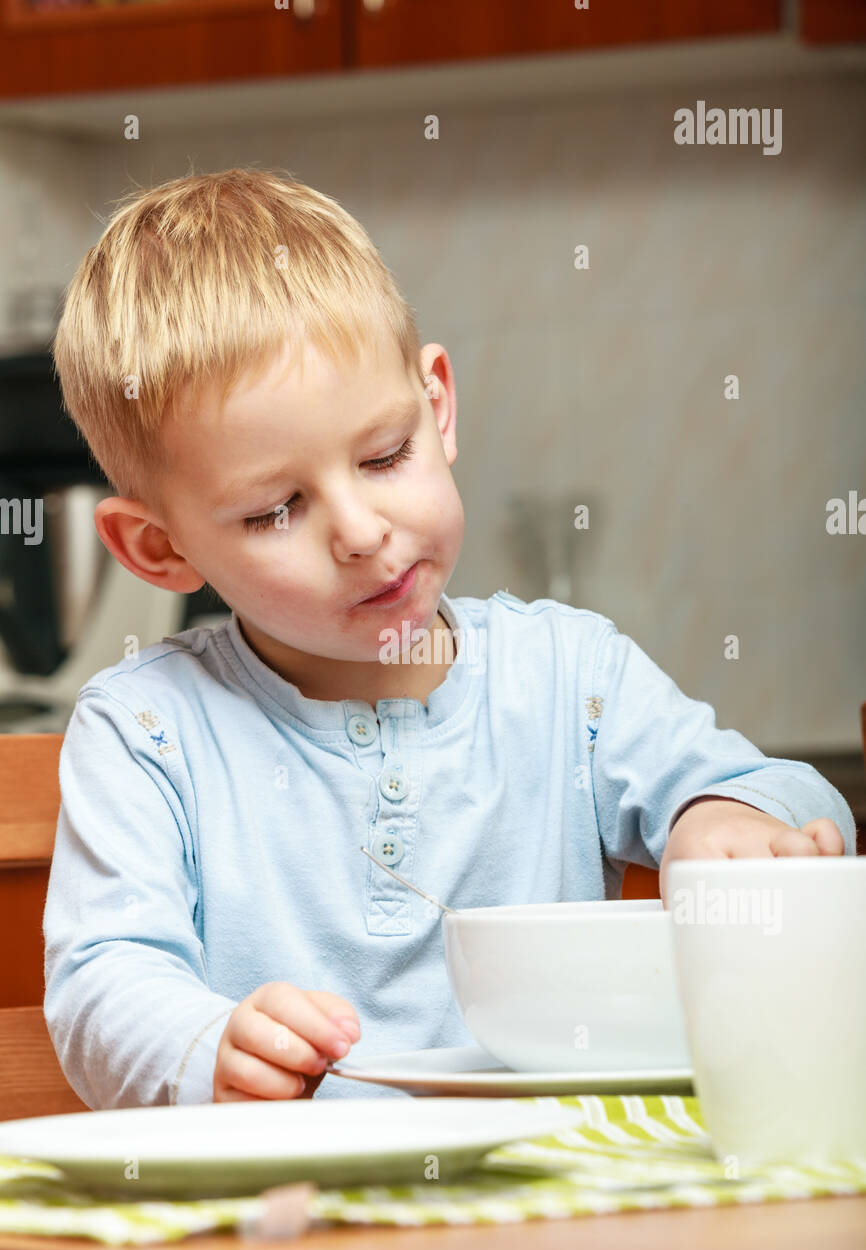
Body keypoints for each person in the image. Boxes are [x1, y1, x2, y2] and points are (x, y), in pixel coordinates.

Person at [44, 168, 855, 1110]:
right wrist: (203, 1048)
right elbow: (104, 981)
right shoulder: (145, 727)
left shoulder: (569, 678)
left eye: (385, 456)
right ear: (159, 548)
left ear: (438, 407)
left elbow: (793, 797)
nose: (360, 531)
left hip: (555, 1199)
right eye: (275, 511)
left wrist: (720, 816)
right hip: (298, 1219)